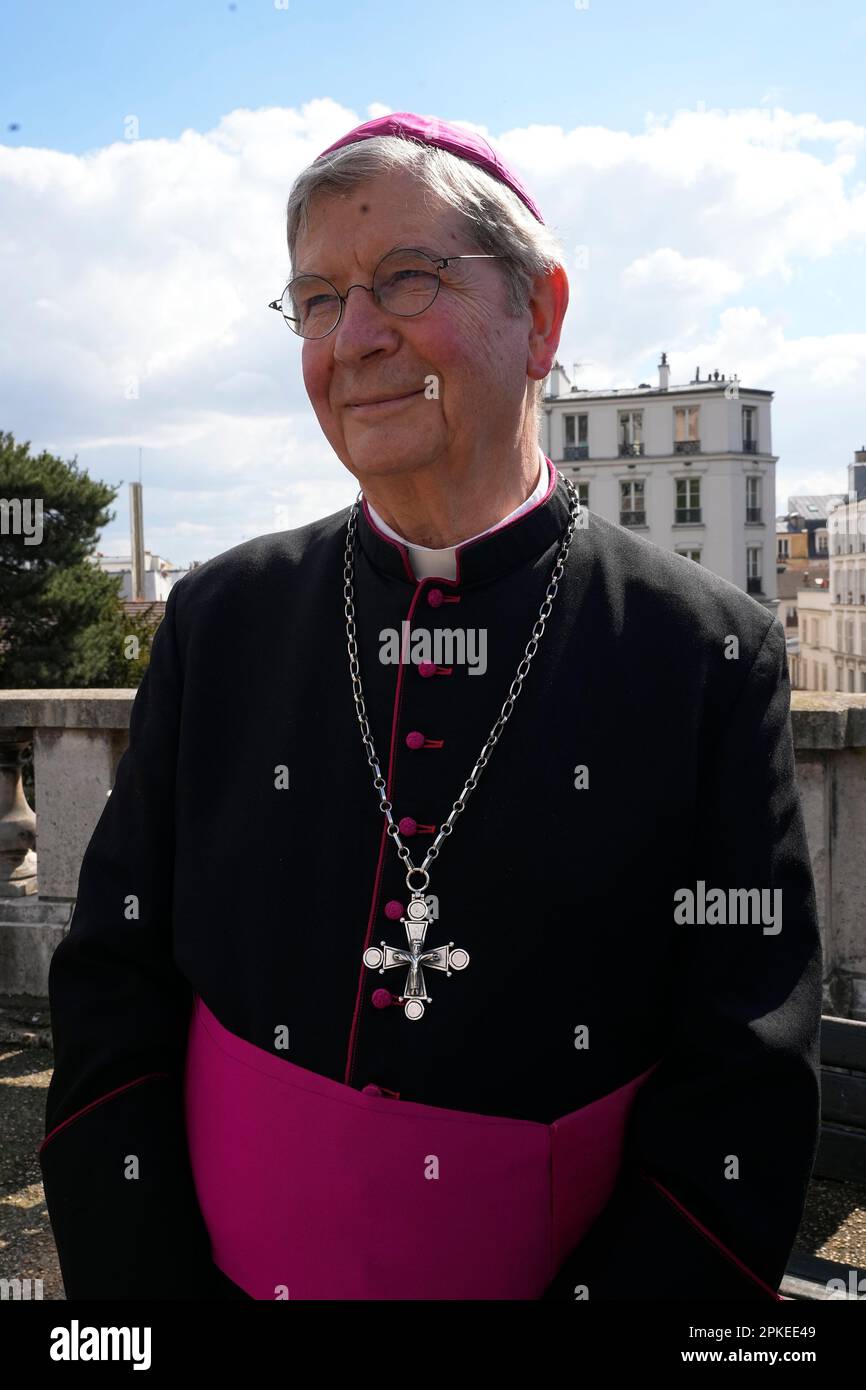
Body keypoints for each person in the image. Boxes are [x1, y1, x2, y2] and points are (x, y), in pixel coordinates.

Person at [40, 111, 822, 1301]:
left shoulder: (702, 649)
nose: (353, 336)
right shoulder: (222, 617)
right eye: (313, 300)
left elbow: (740, 1078)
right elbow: (113, 984)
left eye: (405, 278)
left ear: (540, 315)